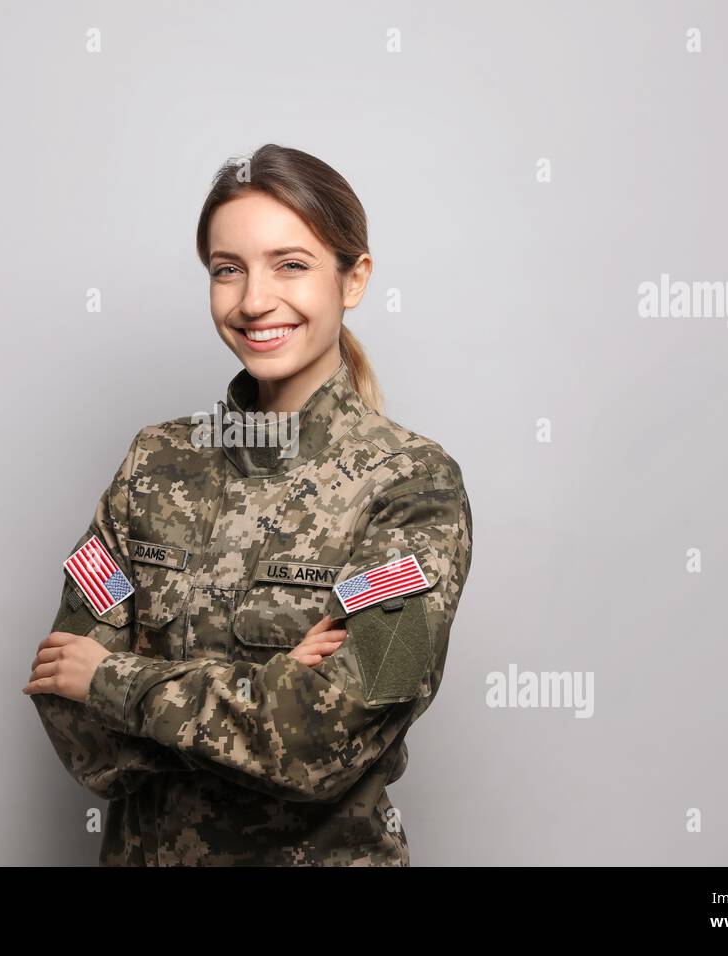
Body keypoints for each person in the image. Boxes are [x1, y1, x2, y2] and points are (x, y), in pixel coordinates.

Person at [25, 143, 474, 866]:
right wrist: (266, 693)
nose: (254, 300)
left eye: (290, 264)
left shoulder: (413, 487)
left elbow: (325, 743)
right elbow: (64, 705)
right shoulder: (152, 464)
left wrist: (113, 678)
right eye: (226, 270)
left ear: (353, 278)